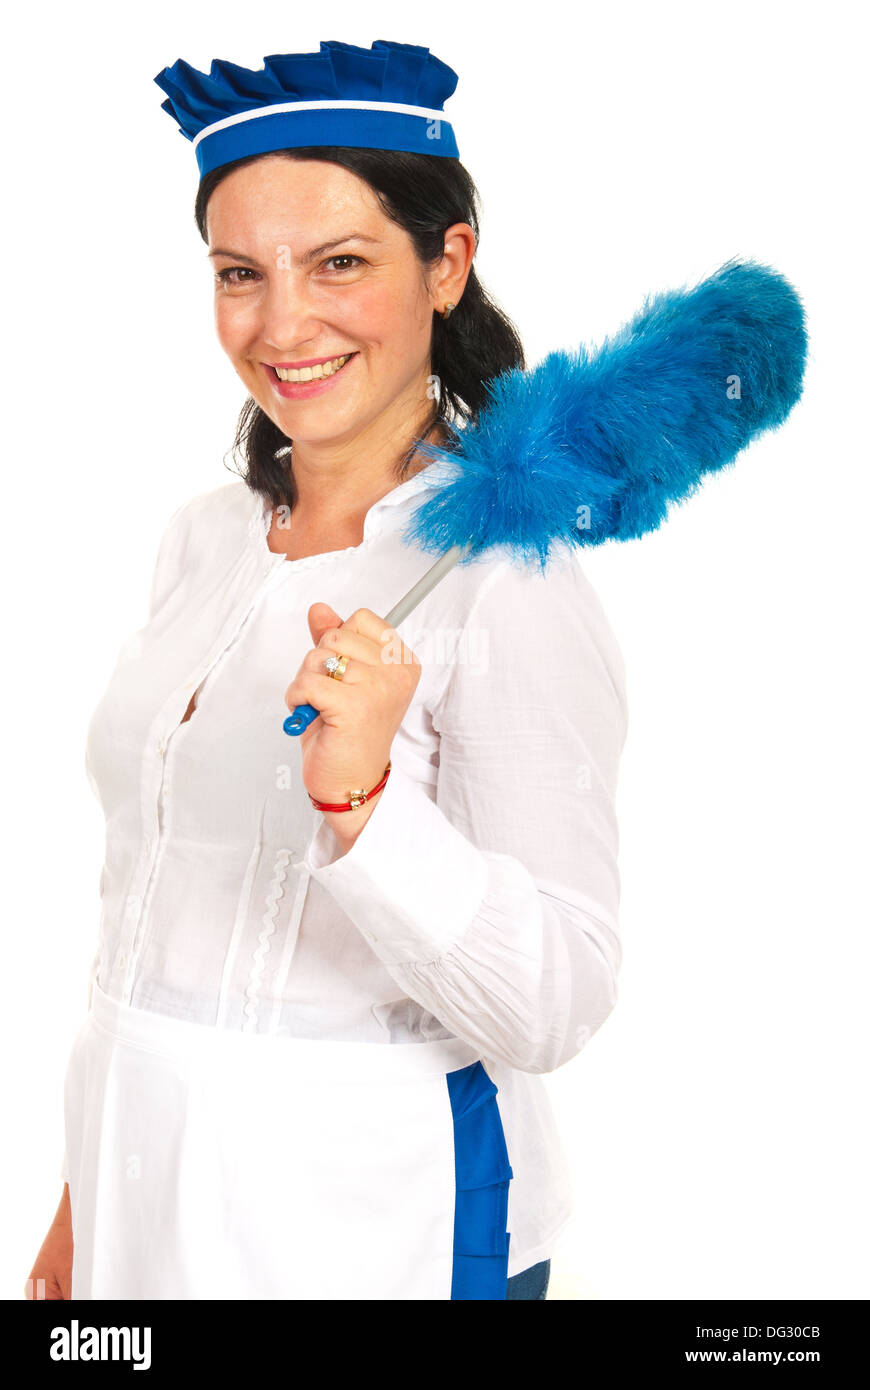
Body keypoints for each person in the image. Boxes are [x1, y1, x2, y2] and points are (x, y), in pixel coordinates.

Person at [25, 39, 628, 1301]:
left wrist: (365, 805)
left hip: (374, 1221)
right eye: (241, 273)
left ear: (447, 262)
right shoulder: (201, 538)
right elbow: (145, 897)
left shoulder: (506, 576)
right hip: (144, 1200)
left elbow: (557, 1003)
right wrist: (91, 1193)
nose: (281, 324)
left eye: (340, 262)